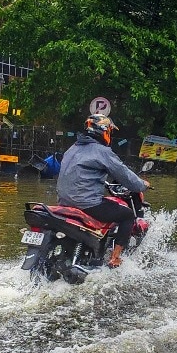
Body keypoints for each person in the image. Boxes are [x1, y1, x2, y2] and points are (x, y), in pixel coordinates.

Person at [57, 114, 150, 268]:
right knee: (127, 215)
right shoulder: (102, 151)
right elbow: (124, 174)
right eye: (110, 132)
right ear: (104, 131)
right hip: (87, 204)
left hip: (64, 202)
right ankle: (115, 258)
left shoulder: (72, 149)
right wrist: (142, 184)